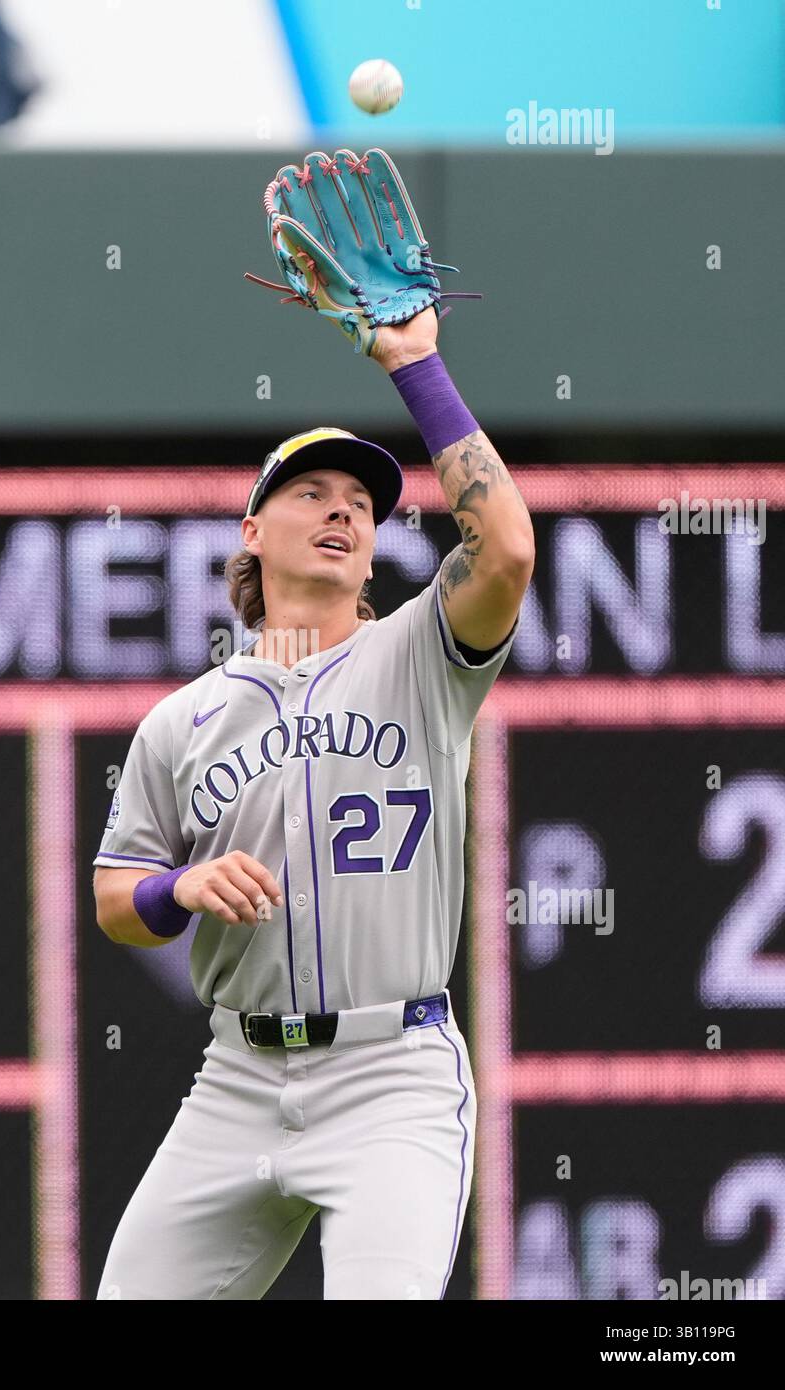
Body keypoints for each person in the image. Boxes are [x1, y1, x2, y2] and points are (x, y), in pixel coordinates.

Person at [93, 302, 535, 1300]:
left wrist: (415, 365)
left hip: (391, 1074)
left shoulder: (418, 657)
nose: (341, 510)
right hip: (238, 1079)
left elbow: (504, 548)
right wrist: (180, 887)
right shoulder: (181, 719)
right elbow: (115, 899)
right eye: (310, 492)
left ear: (375, 551)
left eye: (360, 504)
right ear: (252, 530)